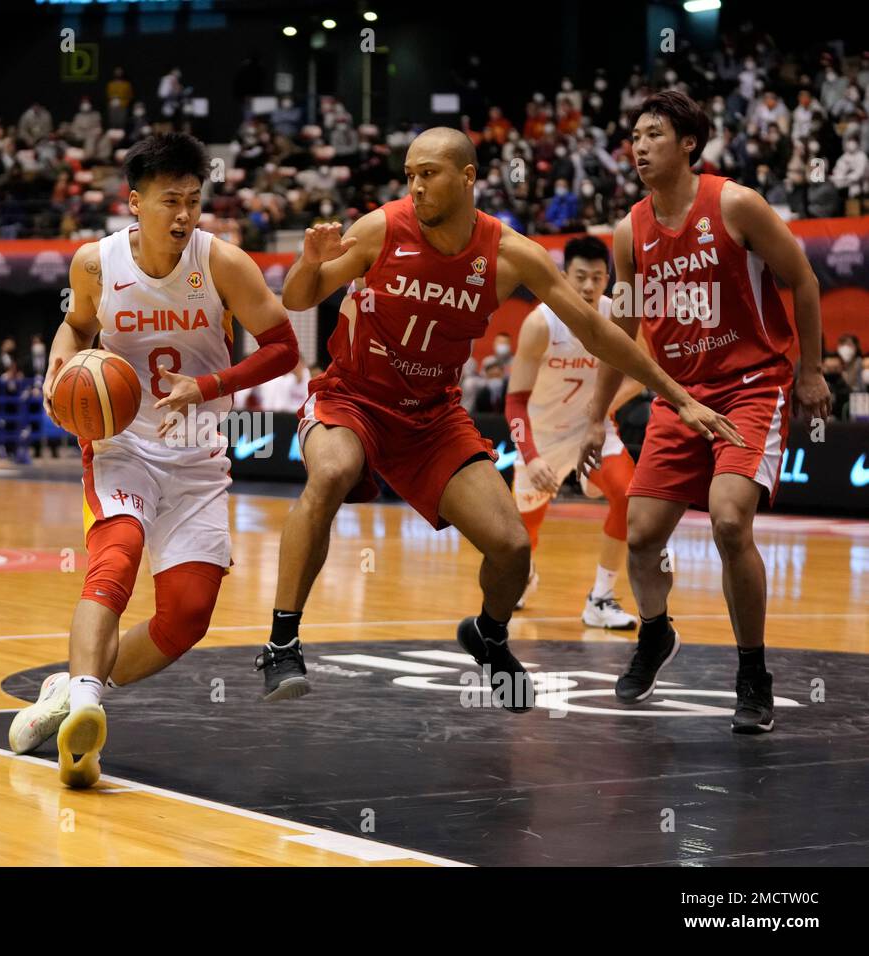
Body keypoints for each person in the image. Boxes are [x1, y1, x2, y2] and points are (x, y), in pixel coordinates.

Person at [261, 126, 742, 712]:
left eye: (429, 173)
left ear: (467, 177)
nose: (415, 186)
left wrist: (678, 394)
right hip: (352, 398)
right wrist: (310, 264)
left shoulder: (512, 255)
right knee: (332, 472)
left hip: (432, 417)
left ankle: (488, 634)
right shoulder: (381, 228)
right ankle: (283, 641)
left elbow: (597, 331)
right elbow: (299, 298)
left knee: (513, 547)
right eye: (409, 174)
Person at [10, 133, 299, 788]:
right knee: (117, 551)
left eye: (194, 201)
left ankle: (72, 691)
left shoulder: (222, 263)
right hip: (123, 442)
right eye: (170, 200)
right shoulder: (95, 262)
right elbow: (79, 325)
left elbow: (284, 348)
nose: (184, 215)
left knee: (188, 615)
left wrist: (210, 386)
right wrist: (59, 363)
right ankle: (86, 702)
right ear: (134, 202)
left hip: (197, 455)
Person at [580, 91, 831, 734]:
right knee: (640, 535)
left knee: (727, 520)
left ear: (688, 143)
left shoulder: (737, 203)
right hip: (678, 397)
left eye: (653, 134)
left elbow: (802, 279)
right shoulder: (628, 230)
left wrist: (809, 370)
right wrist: (593, 416)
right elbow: (623, 326)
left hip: (750, 385)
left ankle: (753, 672)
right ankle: (657, 633)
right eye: (633, 135)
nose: (638, 146)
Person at [505, 236, 646, 625]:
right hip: (544, 437)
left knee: (628, 496)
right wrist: (531, 458)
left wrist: (601, 410)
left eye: (598, 278)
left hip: (593, 433)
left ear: (608, 279)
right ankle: (526, 573)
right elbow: (514, 402)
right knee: (521, 536)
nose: (588, 286)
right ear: (563, 275)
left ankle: (600, 599)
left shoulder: (618, 316)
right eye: (580, 276)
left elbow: (642, 374)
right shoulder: (540, 323)